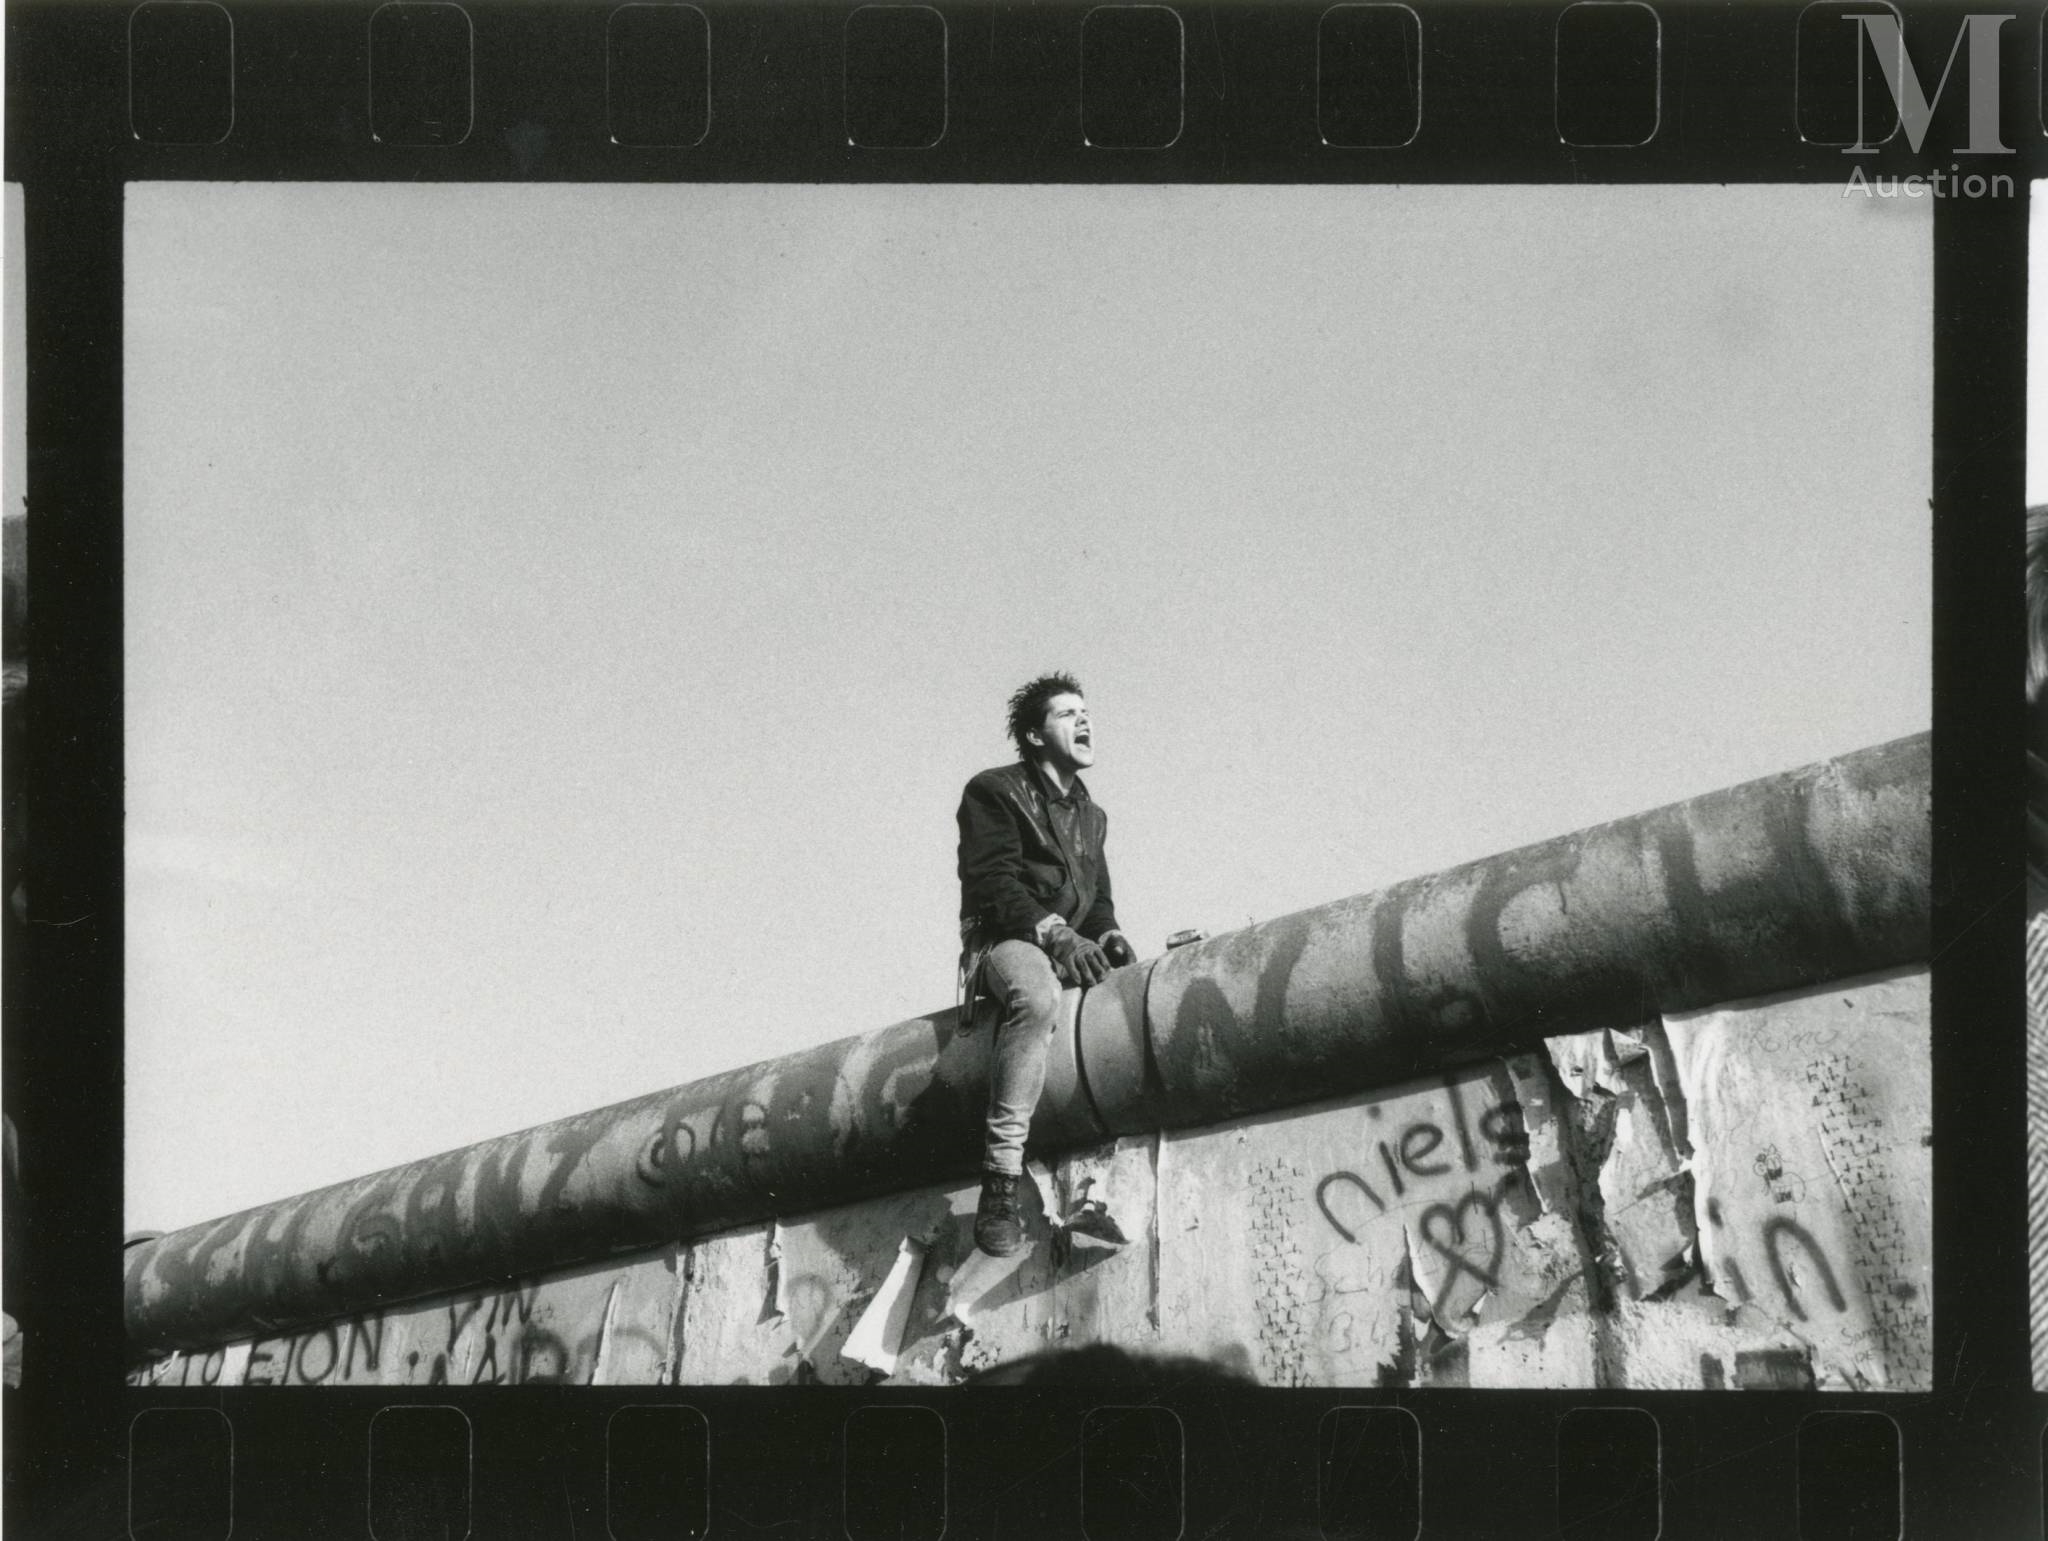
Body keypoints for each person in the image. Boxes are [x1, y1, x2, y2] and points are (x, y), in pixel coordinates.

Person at [957, 673, 1135, 1256]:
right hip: (1006, 943)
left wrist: (1107, 936)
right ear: (1035, 736)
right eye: (1066, 714)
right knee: (1035, 997)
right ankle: (1001, 1182)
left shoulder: (1093, 816)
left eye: (1086, 711)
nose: (1084, 721)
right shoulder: (994, 791)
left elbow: (1098, 898)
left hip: (1067, 942)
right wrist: (1056, 936)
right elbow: (993, 886)